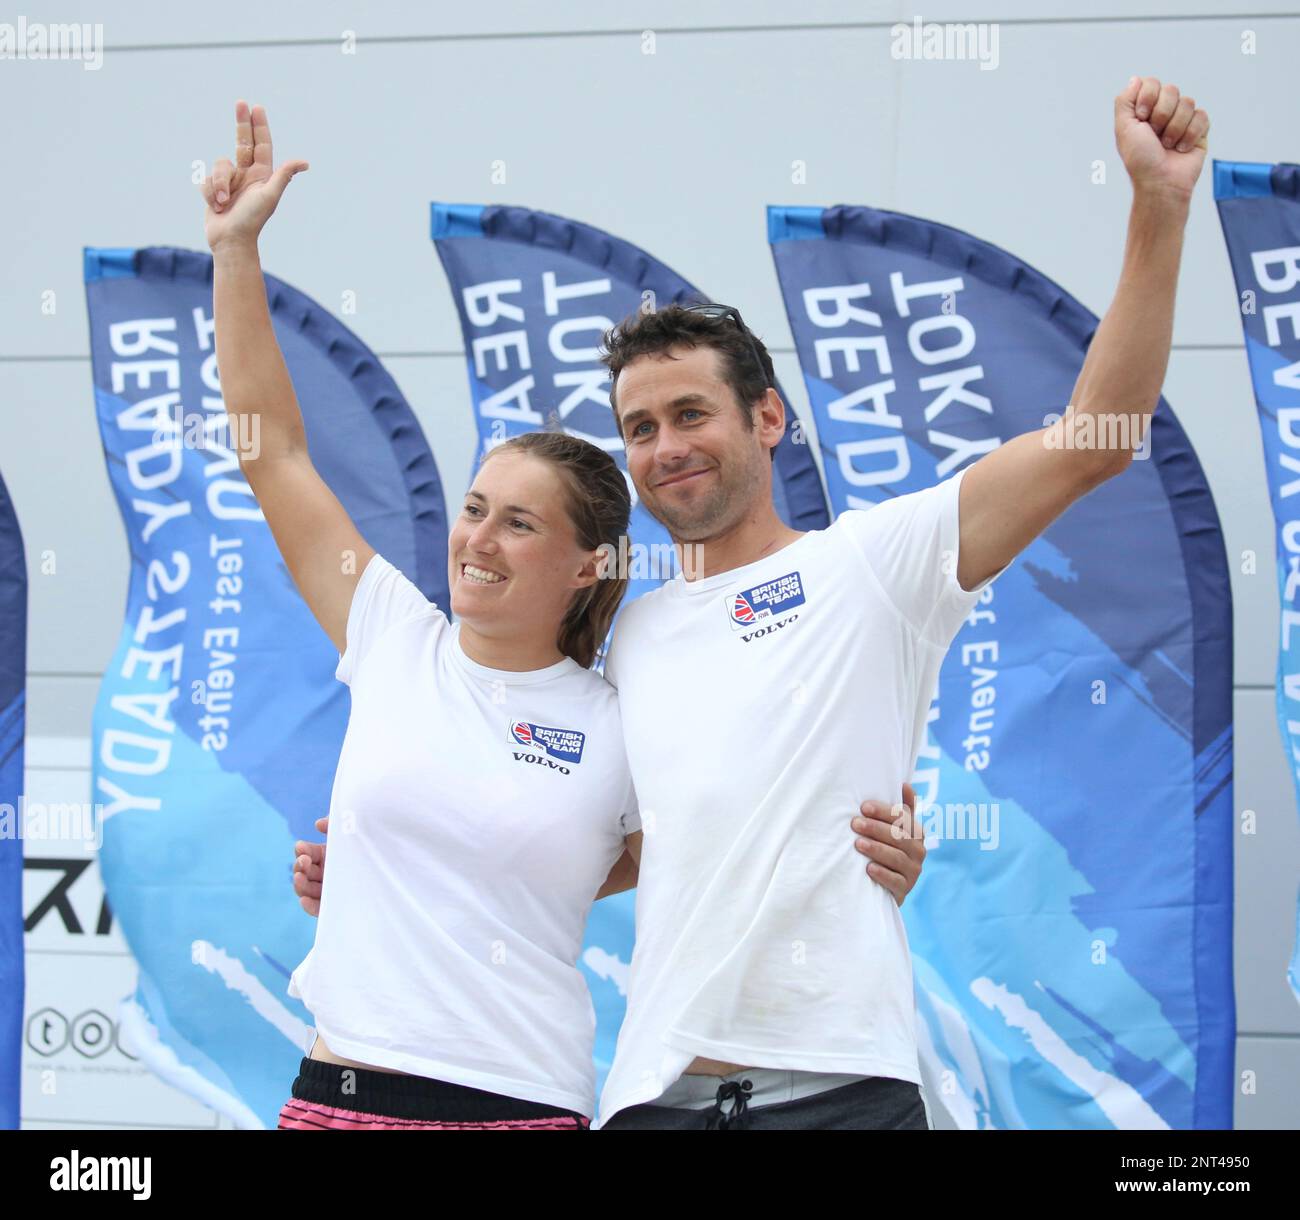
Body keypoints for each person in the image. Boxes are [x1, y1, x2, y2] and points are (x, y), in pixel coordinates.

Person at [202, 99, 920, 1131]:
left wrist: (888, 845)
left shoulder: (627, 692)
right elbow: (271, 451)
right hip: (338, 1095)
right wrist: (235, 251)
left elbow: (727, 822)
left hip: (523, 1106)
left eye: (519, 524)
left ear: (590, 562)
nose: (477, 541)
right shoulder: (392, 635)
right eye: (473, 510)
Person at [586, 75, 1209, 1131]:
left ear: (768, 417)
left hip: (840, 1089)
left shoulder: (874, 561)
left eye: (690, 412)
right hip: (653, 1092)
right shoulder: (629, 632)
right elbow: (622, 845)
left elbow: (1098, 434)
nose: (665, 446)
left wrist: (1157, 205)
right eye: (639, 427)